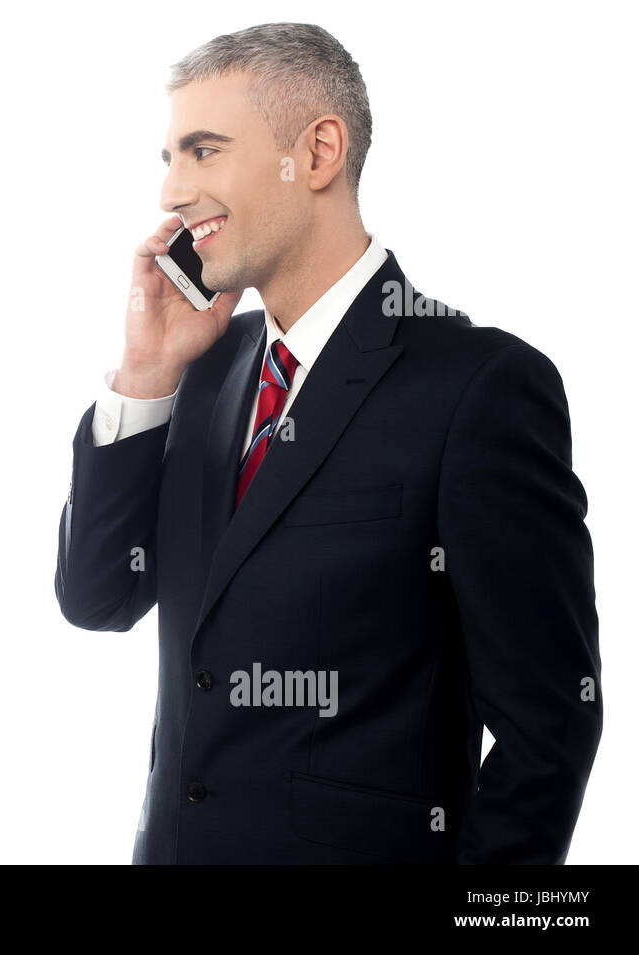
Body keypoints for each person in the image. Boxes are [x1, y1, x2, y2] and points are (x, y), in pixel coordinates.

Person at [54, 23, 602, 864]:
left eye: (202, 152)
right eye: (167, 158)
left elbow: (550, 731)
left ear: (316, 153)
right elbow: (97, 597)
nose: (171, 191)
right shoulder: (203, 373)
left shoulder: (479, 388)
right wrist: (145, 372)